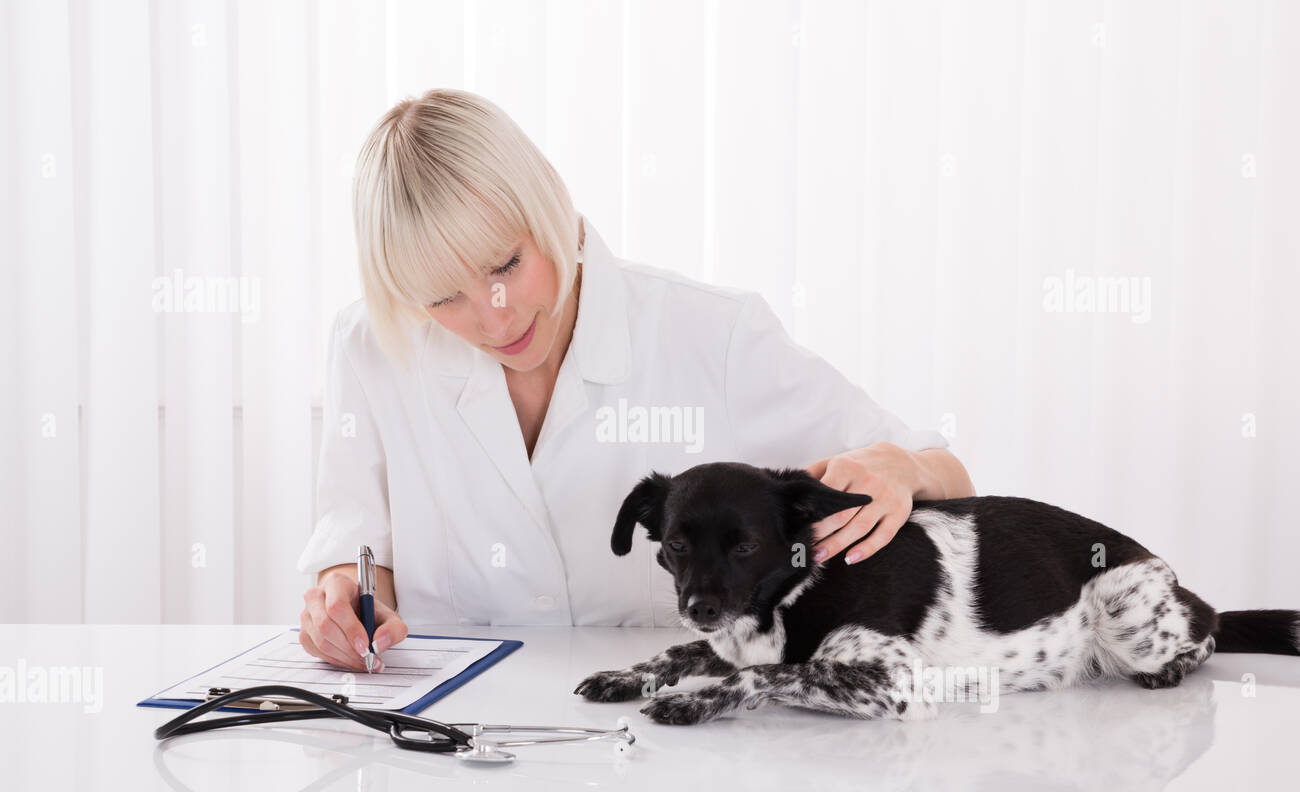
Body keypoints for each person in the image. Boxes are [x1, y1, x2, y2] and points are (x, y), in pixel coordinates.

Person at [296, 88, 974, 671]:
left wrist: (905, 467)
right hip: (454, 743)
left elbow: (947, 478)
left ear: (550, 204)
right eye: (443, 299)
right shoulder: (369, 347)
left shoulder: (714, 333)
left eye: (505, 264)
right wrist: (348, 605)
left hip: (669, 737)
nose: (492, 318)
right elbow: (358, 549)